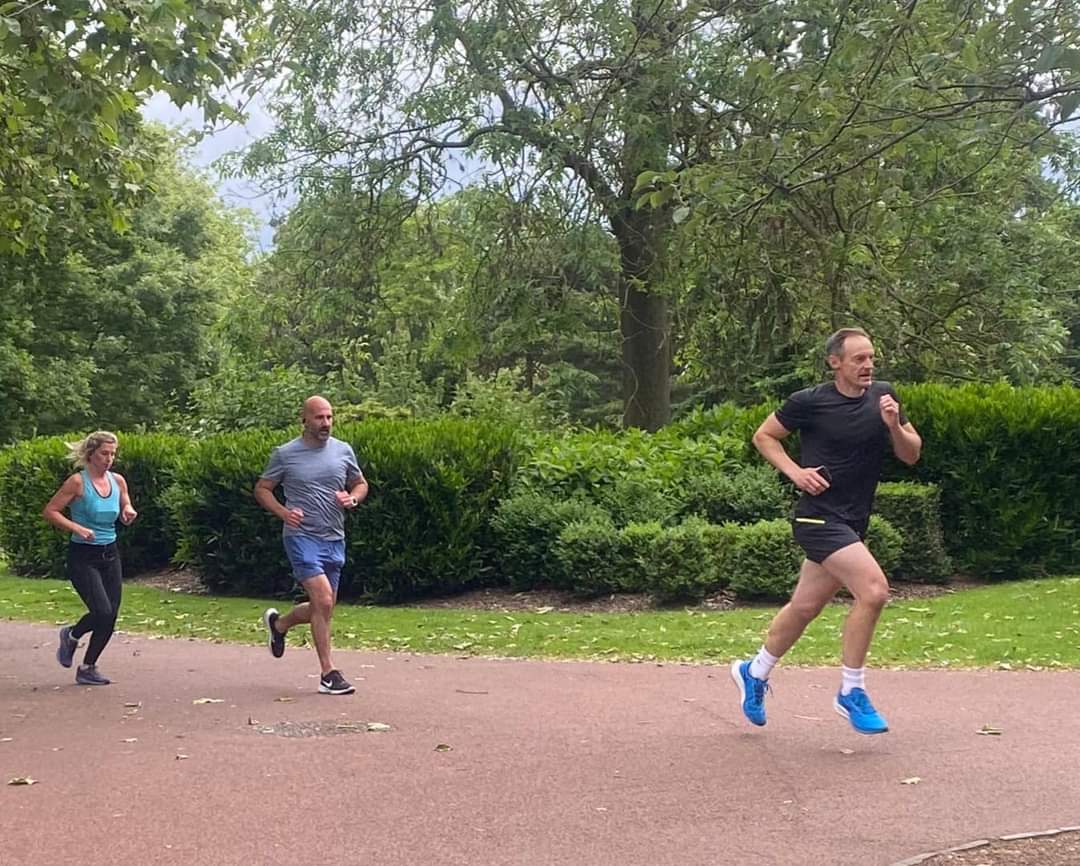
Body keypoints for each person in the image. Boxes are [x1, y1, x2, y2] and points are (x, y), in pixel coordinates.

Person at [731, 327, 922, 735]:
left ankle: (755, 670)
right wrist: (795, 472)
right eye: (858, 359)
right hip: (817, 518)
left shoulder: (883, 396)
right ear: (835, 362)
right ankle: (851, 691)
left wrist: (893, 425)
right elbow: (764, 436)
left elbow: (911, 454)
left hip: (852, 521)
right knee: (873, 591)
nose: (868, 365)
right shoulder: (809, 402)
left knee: (804, 607)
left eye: (871, 357)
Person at [255, 395, 368, 695]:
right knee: (324, 600)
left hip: (334, 537)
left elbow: (360, 483)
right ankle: (328, 673)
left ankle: (279, 625)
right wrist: (283, 512)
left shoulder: (343, 451)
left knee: (324, 607)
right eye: (319, 418)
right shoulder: (285, 454)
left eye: (329, 417)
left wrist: (352, 497)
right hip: (301, 537)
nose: (326, 423)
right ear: (303, 419)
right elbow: (263, 488)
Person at [43, 431, 138, 685]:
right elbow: (50, 511)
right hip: (83, 557)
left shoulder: (117, 480)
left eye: (112, 454)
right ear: (91, 454)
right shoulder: (77, 482)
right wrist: (77, 528)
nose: (109, 459)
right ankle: (71, 635)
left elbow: (125, 502)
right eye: (104, 454)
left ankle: (88, 667)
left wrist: (128, 510)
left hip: (110, 554)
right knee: (101, 611)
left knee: (111, 616)